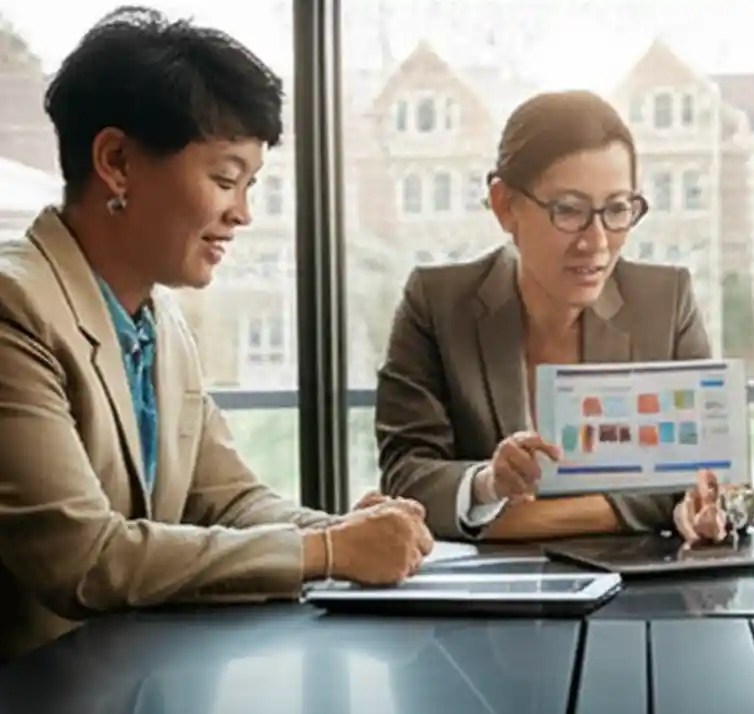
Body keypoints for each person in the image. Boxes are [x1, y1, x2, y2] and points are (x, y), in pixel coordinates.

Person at [0, 7, 432, 661]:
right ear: (116, 162)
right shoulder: (15, 307)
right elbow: (86, 558)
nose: (243, 213)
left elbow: (227, 499)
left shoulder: (161, 322)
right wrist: (330, 550)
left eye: (250, 185)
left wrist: (351, 529)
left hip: (127, 680)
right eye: (225, 179)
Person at [376, 90, 743, 542]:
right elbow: (405, 480)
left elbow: (707, 480)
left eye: (616, 209)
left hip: (632, 592)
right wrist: (489, 484)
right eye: (568, 210)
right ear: (505, 205)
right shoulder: (436, 304)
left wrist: (514, 521)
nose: (597, 242)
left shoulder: (665, 302)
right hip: (490, 603)